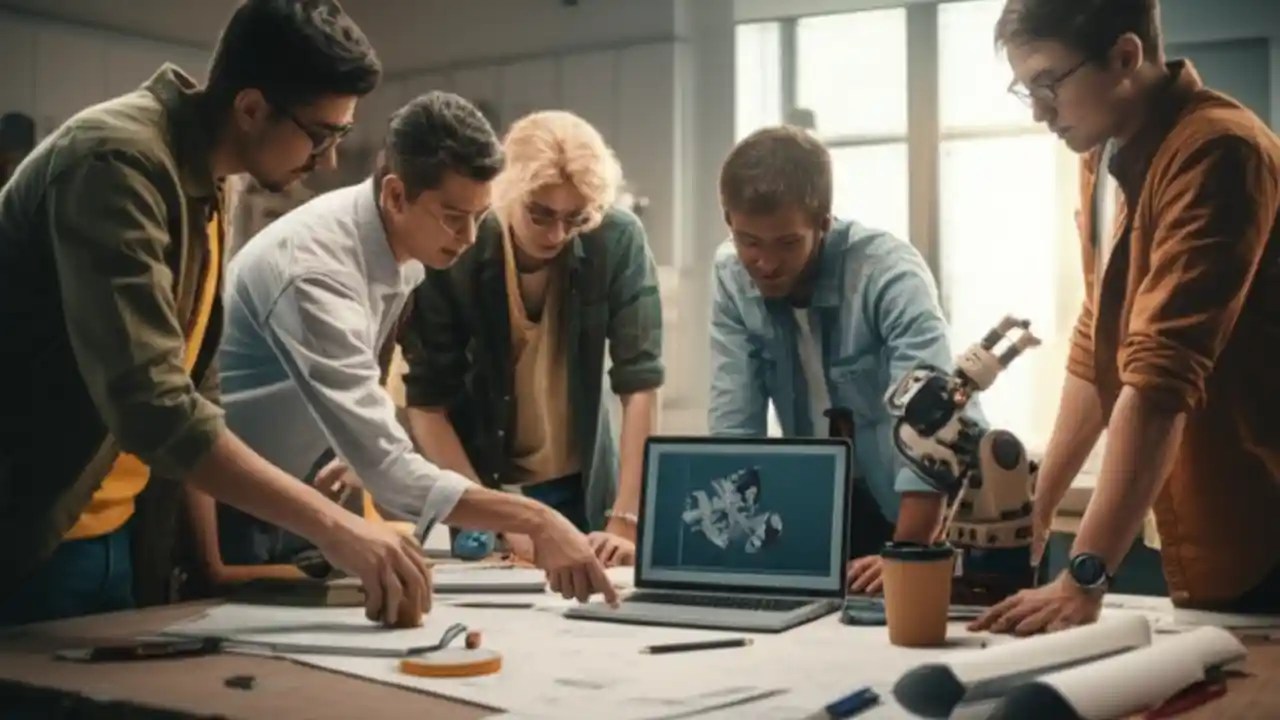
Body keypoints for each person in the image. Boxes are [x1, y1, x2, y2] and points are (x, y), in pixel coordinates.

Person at [0, 0, 430, 628]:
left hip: (116, 534)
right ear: (251, 108)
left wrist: (206, 560)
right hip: (35, 537)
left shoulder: (207, 172)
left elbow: (197, 375)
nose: (329, 160)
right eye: (321, 134)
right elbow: (153, 403)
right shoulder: (117, 163)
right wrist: (336, 528)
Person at [207, 91, 617, 604]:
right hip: (236, 504)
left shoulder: (400, 243)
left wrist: (356, 447)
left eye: (479, 216)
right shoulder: (315, 271)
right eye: (452, 217)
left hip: (305, 491)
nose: (469, 237)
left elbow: (366, 418)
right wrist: (536, 519)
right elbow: (390, 468)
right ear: (397, 195)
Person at [972, 0, 1280, 637]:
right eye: (1024, 90)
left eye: (1048, 84)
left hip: (1259, 515)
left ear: (1124, 58)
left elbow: (1159, 378)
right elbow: (1099, 341)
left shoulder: (1219, 151)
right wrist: (1039, 506)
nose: (1038, 111)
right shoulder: (1102, 151)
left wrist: (1086, 574)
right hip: (1201, 518)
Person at [708, 125, 980, 594]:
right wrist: (731, 555)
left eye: (787, 243)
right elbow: (734, 422)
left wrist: (909, 551)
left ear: (823, 224)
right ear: (728, 221)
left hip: (925, 502)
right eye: (749, 241)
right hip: (826, 504)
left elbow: (931, 425)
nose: (765, 262)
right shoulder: (731, 274)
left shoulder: (889, 272)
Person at [401, 110, 664, 568]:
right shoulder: (458, 250)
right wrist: (494, 516)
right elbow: (426, 406)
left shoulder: (616, 240)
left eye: (575, 218)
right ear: (506, 193)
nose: (556, 234)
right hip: (480, 482)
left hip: (580, 485)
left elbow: (639, 384)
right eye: (539, 214)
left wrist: (624, 520)